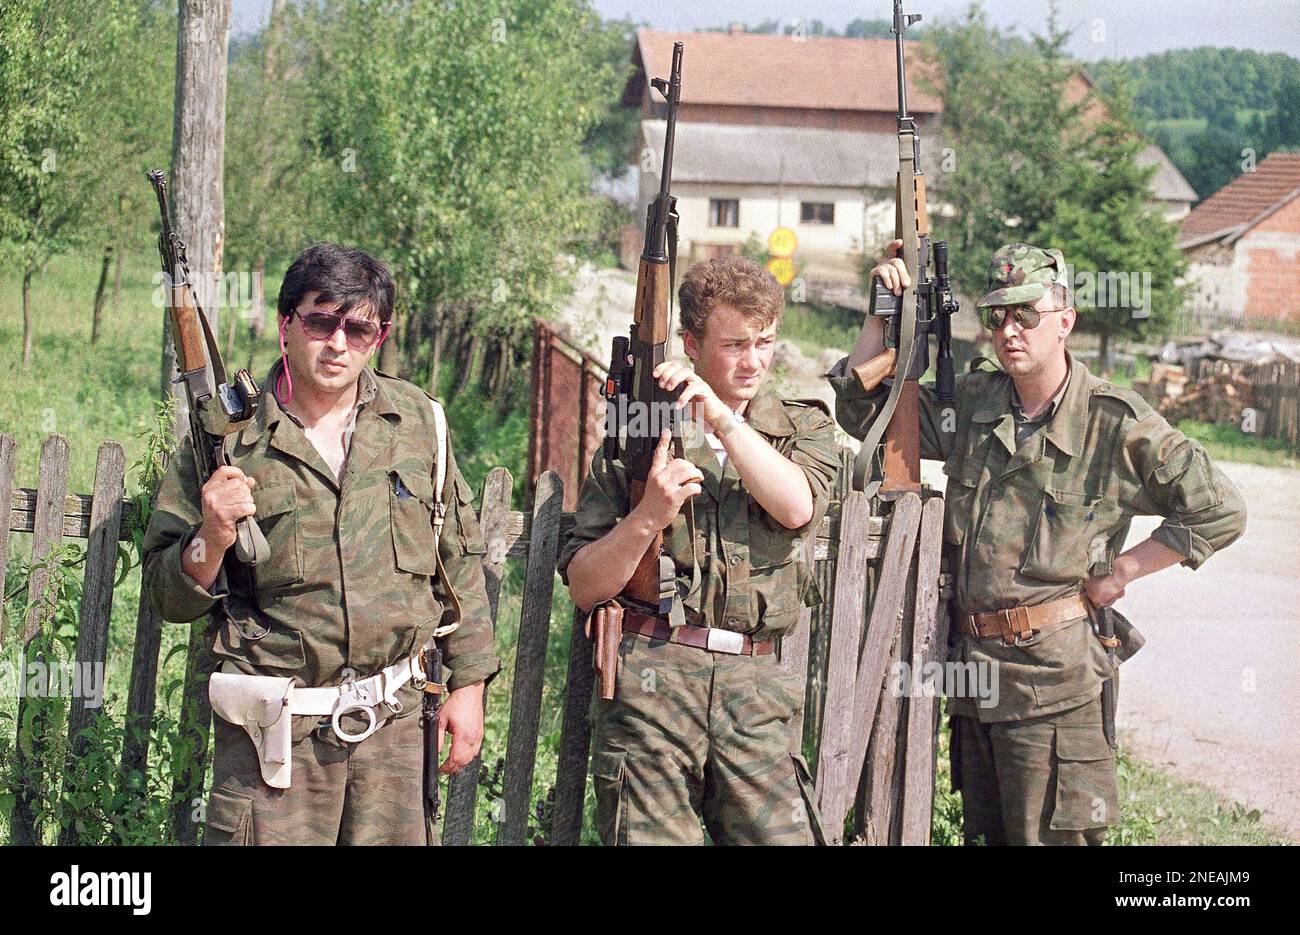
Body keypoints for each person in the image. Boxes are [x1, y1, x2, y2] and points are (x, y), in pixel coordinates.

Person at [828, 240, 1247, 845]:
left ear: (1065, 322)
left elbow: (1220, 509)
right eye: (998, 317)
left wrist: (1125, 569)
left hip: (1054, 692)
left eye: (1027, 315)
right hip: (977, 684)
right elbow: (866, 413)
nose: (1009, 331)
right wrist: (879, 314)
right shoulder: (977, 403)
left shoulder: (1113, 422)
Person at [142, 243, 499, 845]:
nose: (338, 343)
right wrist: (212, 533)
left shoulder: (419, 424)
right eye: (321, 321)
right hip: (275, 739)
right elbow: (168, 597)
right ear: (287, 324)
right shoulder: (230, 440)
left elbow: (456, 563)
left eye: (357, 328)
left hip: (394, 726)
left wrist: (468, 687)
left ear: (377, 336)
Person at [559, 255, 840, 845]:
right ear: (690, 343)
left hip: (755, 690)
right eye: (736, 344)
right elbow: (586, 584)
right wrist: (647, 518)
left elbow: (796, 507)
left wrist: (721, 419)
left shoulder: (799, 428)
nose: (755, 361)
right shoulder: (639, 432)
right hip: (651, 685)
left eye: (765, 342)